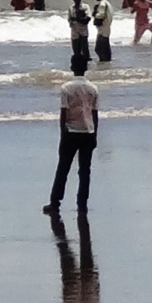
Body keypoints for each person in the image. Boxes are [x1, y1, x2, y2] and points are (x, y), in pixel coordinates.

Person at [47, 64, 99, 215]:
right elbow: (94, 113)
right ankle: (82, 203)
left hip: (71, 131)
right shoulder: (93, 88)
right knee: (85, 170)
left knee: (63, 168)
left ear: (71, 67)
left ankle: (55, 202)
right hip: (88, 131)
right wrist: (95, 134)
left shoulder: (66, 88)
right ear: (86, 68)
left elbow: (64, 112)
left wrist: (62, 134)